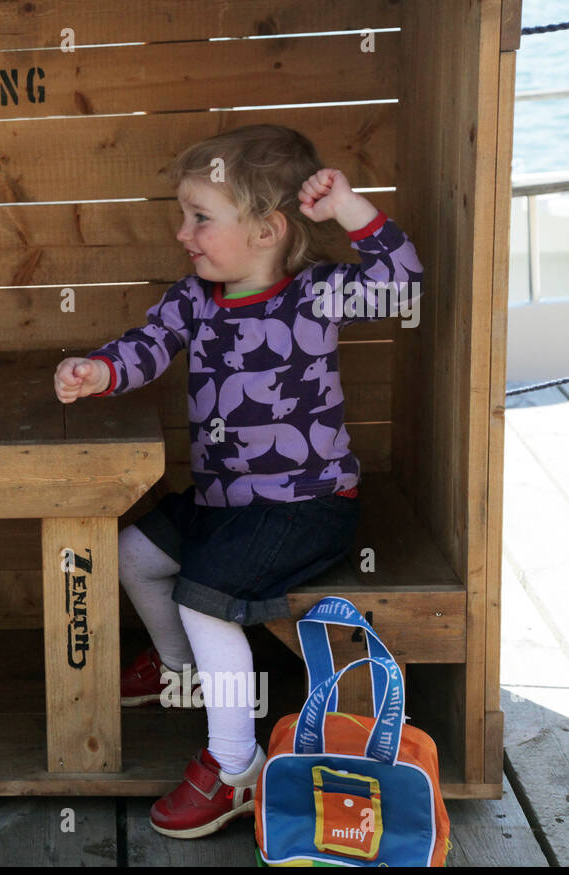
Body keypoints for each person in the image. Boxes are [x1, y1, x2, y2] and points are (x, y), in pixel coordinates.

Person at [53, 125, 422, 837]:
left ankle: (234, 768)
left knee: (205, 597)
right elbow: (146, 347)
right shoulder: (195, 299)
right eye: (183, 214)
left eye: (200, 217)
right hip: (226, 502)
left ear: (266, 230)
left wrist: (349, 207)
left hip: (305, 507)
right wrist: (98, 372)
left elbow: (400, 283)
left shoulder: (317, 296)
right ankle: (179, 672)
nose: (182, 232)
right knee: (132, 552)